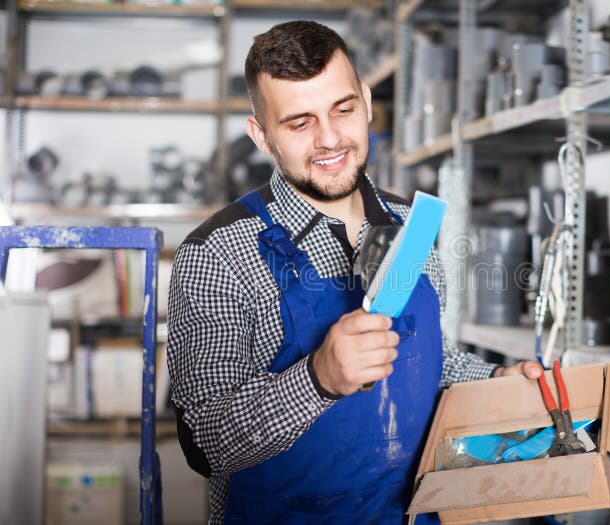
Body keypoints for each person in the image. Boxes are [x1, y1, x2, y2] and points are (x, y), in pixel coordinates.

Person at [167, 20, 540, 524]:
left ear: (365, 101)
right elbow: (205, 442)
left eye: (343, 110)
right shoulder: (218, 253)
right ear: (261, 135)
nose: (329, 139)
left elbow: (423, 358)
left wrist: (494, 378)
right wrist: (318, 377)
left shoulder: (411, 225)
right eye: (299, 123)